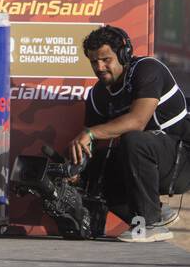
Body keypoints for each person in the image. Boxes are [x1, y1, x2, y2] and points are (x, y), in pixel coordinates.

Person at [67, 25, 186, 243]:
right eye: (94, 62)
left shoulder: (148, 69)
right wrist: (76, 169)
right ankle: (155, 212)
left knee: (133, 138)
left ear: (124, 54)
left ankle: (150, 224)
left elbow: (138, 121)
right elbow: (91, 145)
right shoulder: (98, 94)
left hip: (182, 158)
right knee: (98, 168)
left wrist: (90, 133)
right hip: (149, 160)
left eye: (106, 59)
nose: (100, 67)